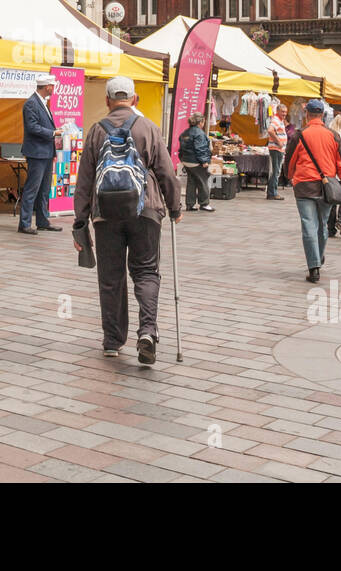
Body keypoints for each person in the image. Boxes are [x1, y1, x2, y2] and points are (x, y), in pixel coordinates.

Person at [74, 76, 181, 365]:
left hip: (105, 214)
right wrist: (175, 206)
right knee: (146, 271)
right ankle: (147, 331)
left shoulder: (96, 131)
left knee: (111, 277)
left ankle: (112, 340)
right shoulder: (148, 128)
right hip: (145, 210)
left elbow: (84, 181)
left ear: (108, 101)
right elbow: (166, 172)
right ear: (135, 100)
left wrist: (80, 221)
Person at [285, 99, 341, 283]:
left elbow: (290, 160)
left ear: (307, 114)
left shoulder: (300, 135)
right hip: (326, 186)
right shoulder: (333, 135)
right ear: (322, 115)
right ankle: (318, 257)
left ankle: (313, 266)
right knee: (322, 224)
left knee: (308, 225)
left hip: (304, 185)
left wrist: (289, 175)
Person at [18, 74, 61, 235]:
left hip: (46, 152)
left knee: (44, 190)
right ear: (48, 87)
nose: (54, 89)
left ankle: (42, 221)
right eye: (53, 86)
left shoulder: (41, 102)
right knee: (32, 188)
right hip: (37, 153)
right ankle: (24, 223)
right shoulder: (31, 103)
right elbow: (32, 127)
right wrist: (53, 133)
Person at [178, 113, 214, 212]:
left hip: (186, 161)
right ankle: (204, 203)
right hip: (196, 161)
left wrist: (181, 158)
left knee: (191, 182)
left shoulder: (185, 132)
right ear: (200, 122)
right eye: (203, 121)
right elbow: (200, 148)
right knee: (203, 182)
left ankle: (190, 204)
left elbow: (181, 148)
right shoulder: (199, 133)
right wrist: (204, 161)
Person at [265, 107, 289, 199]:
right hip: (276, 149)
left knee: (276, 171)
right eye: (282, 111)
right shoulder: (276, 120)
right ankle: (272, 193)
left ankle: (272, 192)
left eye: (285, 112)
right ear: (278, 111)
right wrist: (279, 142)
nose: (284, 113)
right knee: (276, 171)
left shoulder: (279, 120)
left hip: (278, 149)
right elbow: (270, 130)